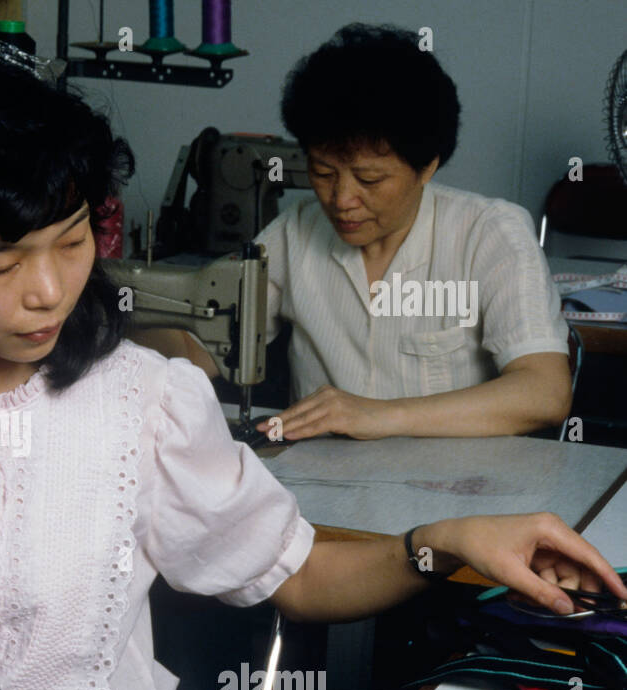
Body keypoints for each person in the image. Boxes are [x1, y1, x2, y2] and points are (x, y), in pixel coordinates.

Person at [0, 57, 620, 690]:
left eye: (71, 245)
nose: (49, 292)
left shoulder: (141, 403)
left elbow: (292, 573)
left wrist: (443, 545)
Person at [173, 23, 572, 441]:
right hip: (321, 484)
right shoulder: (295, 233)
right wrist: (128, 313)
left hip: (454, 488)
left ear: (427, 166)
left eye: (369, 179)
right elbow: (197, 350)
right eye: (323, 172)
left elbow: (544, 392)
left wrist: (382, 416)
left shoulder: (490, 235)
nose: (342, 199)